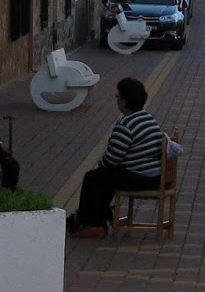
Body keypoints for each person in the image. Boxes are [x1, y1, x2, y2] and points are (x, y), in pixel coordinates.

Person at [67, 76, 167, 239]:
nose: (117, 100)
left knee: (93, 178)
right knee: (106, 178)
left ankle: (89, 223)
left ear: (124, 101)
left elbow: (112, 159)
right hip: (154, 175)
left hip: (141, 177)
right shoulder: (148, 118)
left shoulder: (126, 125)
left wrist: (101, 164)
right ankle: (97, 219)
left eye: (118, 96)